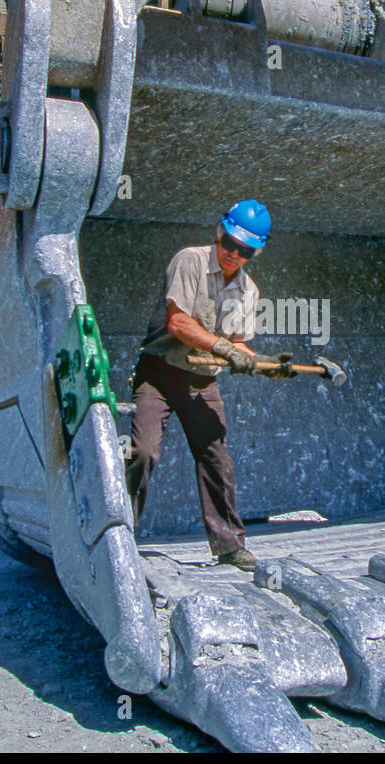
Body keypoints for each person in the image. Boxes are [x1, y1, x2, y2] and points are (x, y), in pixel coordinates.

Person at [124, 199, 293, 571]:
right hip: (159, 373)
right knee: (144, 452)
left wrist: (263, 366)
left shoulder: (249, 292)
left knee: (216, 457)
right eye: (229, 242)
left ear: (255, 252)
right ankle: (119, 535)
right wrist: (221, 346)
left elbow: (237, 343)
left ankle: (230, 546)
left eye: (244, 249)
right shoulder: (191, 261)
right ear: (220, 233)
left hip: (202, 381)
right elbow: (178, 324)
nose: (233, 253)